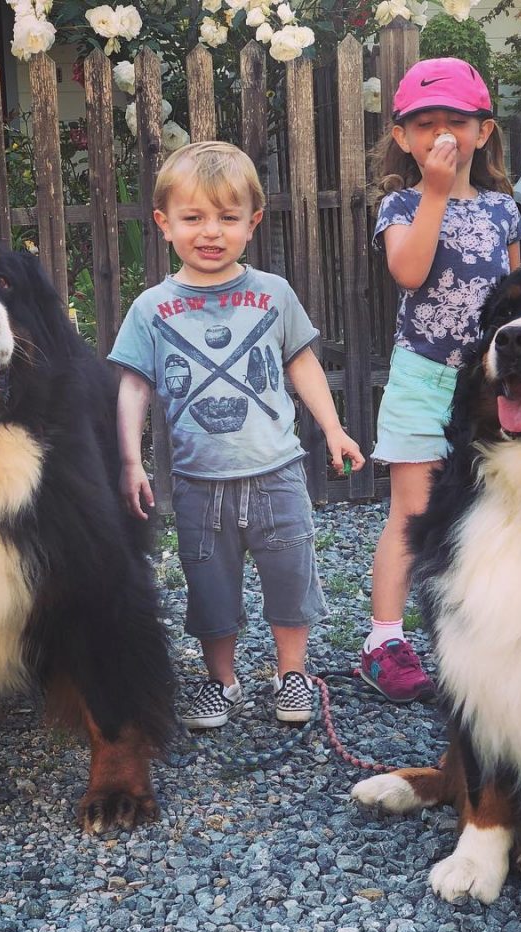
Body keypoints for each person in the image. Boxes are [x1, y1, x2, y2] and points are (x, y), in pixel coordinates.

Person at [111, 141, 365, 731]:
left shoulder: (274, 294)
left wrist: (333, 429)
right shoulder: (151, 309)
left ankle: (292, 672)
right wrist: (131, 460)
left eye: (228, 218)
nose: (210, 232)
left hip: (277, 471)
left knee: (290, 577)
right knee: (210, 587)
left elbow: (302, 364)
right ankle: (220, 681)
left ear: (252, 223)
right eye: (193, 217)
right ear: (164, 224)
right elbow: (133, 387)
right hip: (200, 482)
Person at [363, 57, 521, 702]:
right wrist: (433, 192)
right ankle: (385, 640)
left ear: (483, 131)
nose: (441, 136)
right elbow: (408, 271)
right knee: (414, 508)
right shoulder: (400, 203)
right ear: (403, 138)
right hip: (423, 378)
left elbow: (517, 297)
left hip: (491, 386)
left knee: (496, 504)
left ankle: (492, 626)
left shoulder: (504, 210)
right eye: (424, 125)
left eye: (454, 122)